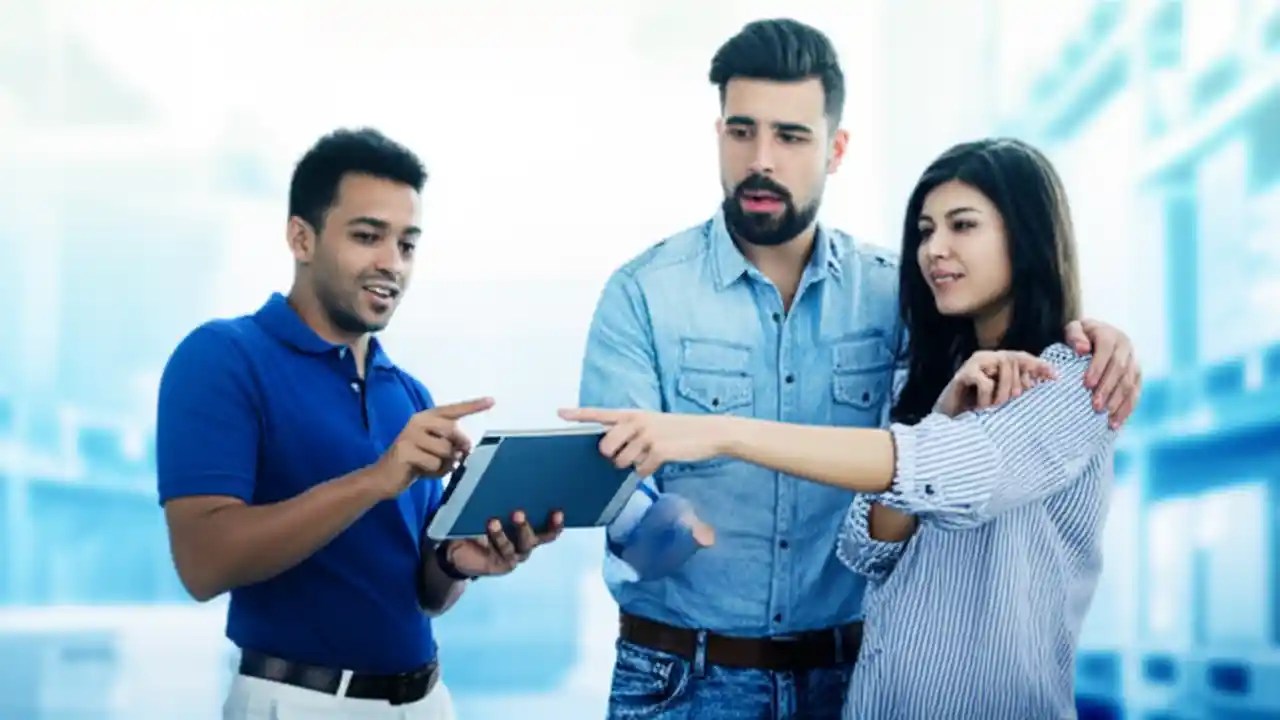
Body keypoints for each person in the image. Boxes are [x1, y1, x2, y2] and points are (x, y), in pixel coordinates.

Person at [574, 18, 1142, 720]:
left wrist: (1098, 336)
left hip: (841, 679)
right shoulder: (643, 293)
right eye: (742, 131)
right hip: (684, 678)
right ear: (718, 134)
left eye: (791, 136)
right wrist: (658, 530)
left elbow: (940, 463)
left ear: (835, 149)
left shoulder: (896, 296)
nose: (762, 160)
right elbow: (619, 496)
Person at [155, 127, 564, 720]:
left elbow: (424, 593)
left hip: (426, 702)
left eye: (407, 244)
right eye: (368, 236)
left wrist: (456, 561)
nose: (391, 263)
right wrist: (377, 478)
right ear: (302, 237)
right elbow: (203, 563)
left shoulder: (409, 394)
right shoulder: (224, 357)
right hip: (299, 703)